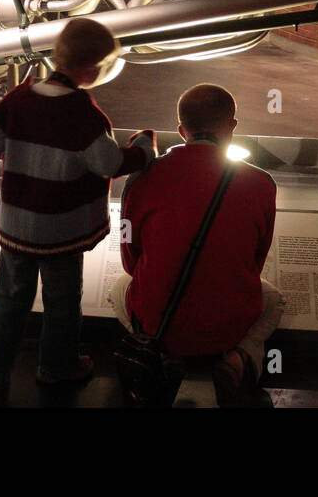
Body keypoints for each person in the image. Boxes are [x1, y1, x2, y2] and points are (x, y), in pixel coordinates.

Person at [0, 17, 156, 395]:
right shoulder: (82, 114)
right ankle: (56, 367)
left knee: (8, 300)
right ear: (90, 72)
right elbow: (108, 163)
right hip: (62, 234)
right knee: (62, 303)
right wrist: (144, 151)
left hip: (17, 229)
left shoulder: (18, 99)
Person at [110, 84, 282, 406]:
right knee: (274, 300)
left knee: (119, 287)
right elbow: (255, 261)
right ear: (232, 126)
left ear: (180, 130)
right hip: (228, 325)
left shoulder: (141, 179)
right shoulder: (261, 183)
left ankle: (163, 355)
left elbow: (130, 260)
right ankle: (237, 360)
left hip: (160, 323)